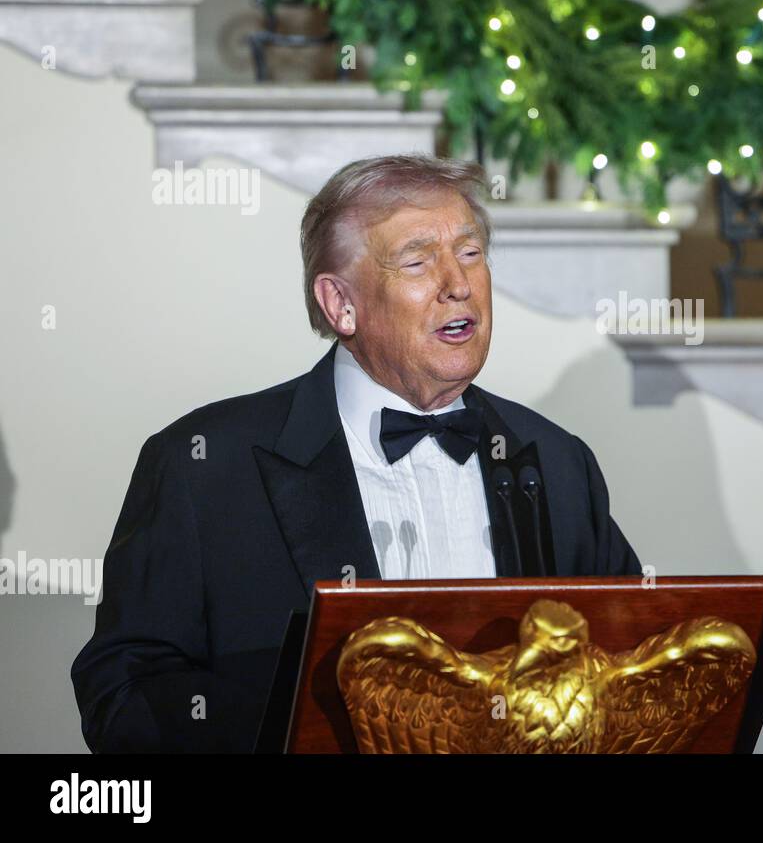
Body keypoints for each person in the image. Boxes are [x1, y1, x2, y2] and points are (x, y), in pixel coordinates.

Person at [72, 154, 641, 753]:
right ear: (340, 303)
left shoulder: (556, 461)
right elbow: (123, 693)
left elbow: (624, 669)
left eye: (470, 254)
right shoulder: (204, 465)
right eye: (418, 260)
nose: (458, 283)